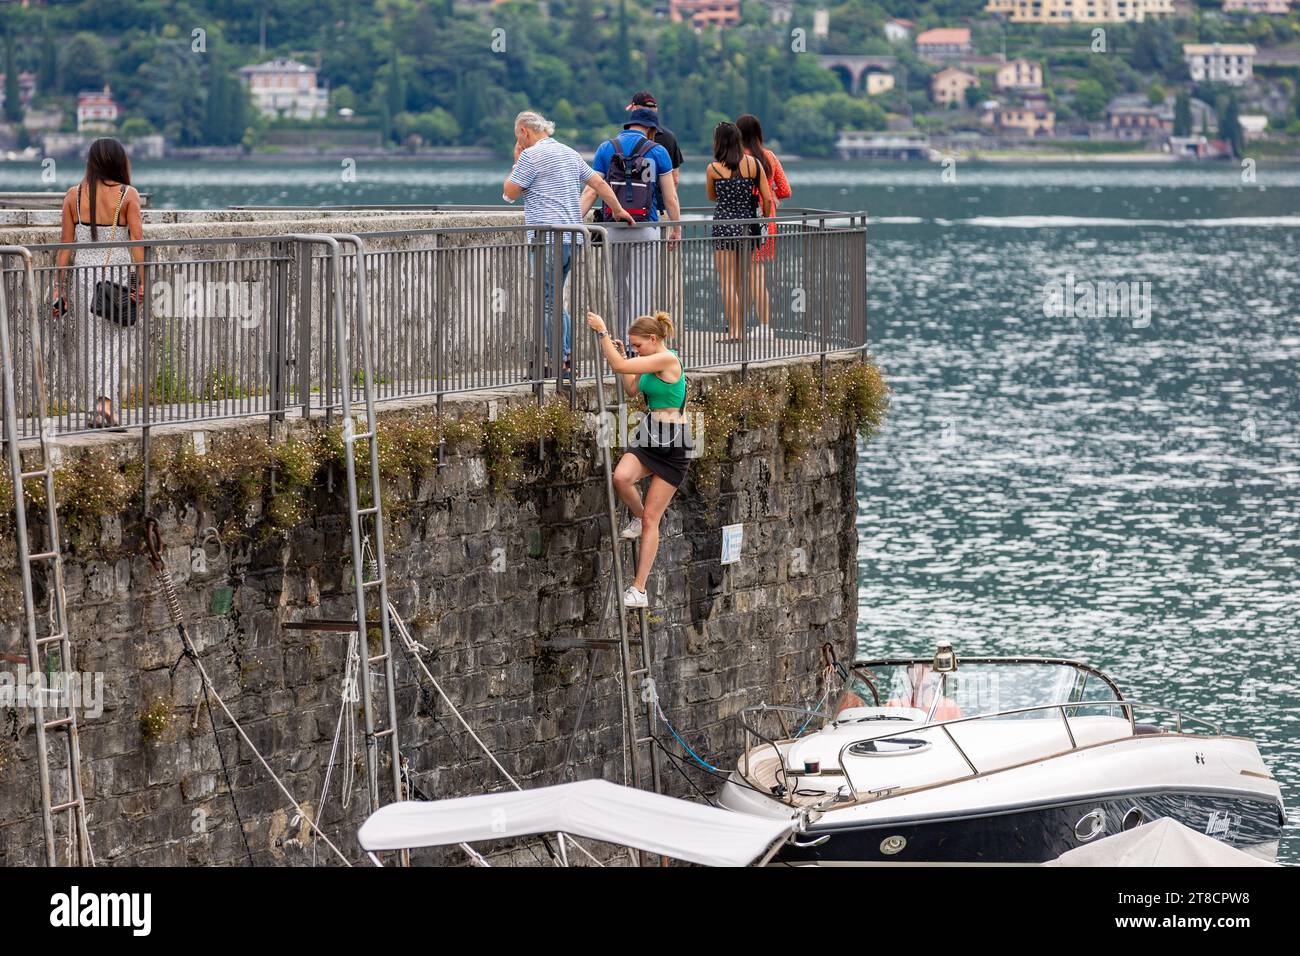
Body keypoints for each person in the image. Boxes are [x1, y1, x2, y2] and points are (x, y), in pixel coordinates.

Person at [504, 111, 633, 378]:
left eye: (518, 137)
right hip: (572, 239)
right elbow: (598, 183)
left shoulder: (530, 155)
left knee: (548, 302)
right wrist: (618, 209)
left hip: (546, 240)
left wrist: (517, 161)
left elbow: (509, 193)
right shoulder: (569, 152)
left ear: (524, 132)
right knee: (554, 300)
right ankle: (565, 356)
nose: (520, 142)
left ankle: (560, 362)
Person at [585, 308, 689, 609]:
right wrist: (628, 359)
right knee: (621, 477)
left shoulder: (668, 359)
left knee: (651, 522)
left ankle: (639, 590)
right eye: (632, 347)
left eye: (638, 346)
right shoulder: (647, 361)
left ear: (653, 339)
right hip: (650, 435)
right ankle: (639, 515)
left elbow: (618, 367)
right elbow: (631, 387)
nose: (634, 351)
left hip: (674, 445)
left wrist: (603, 332)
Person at [52, 137, 144, 428]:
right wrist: (140, 282)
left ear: (91, 162)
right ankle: (105, 406)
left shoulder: (73, 196)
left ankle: (97, 406)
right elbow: (136, 243)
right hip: (115, 277)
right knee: (114, 342)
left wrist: (59, 288)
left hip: (83, 277)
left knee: (90, 343)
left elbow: (65, 247)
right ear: (118, 162)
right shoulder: (128, 195)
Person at [581, 108, 681, 339]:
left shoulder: (606, 148)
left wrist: (572, 223)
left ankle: (617, 341)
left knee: (617, 291)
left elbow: (590, 191)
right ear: (651, 130)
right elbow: (670, 197)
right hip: (645, 229)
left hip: (613, 230)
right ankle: (636, 346)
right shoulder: (658, 151)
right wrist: (675, 229)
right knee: (641, 291)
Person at [706, 122, 774, 343]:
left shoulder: (713, 169)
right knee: (743, 280)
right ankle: (742, 329)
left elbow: (712, 197)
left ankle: (735, 331)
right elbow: (767, 197)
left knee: (727, 282)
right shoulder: (754, 164)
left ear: (719, 142)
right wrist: (762, 217)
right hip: (747, 228)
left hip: (724, 226)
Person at [736, 114, 791, 338]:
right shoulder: (769, 157)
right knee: (756, 274)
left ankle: (757, 325)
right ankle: (753, 325)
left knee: (748, 276)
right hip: (768, 220)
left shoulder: (739, 159)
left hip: (745, 220)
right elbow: (786, 190)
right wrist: (771, 196)